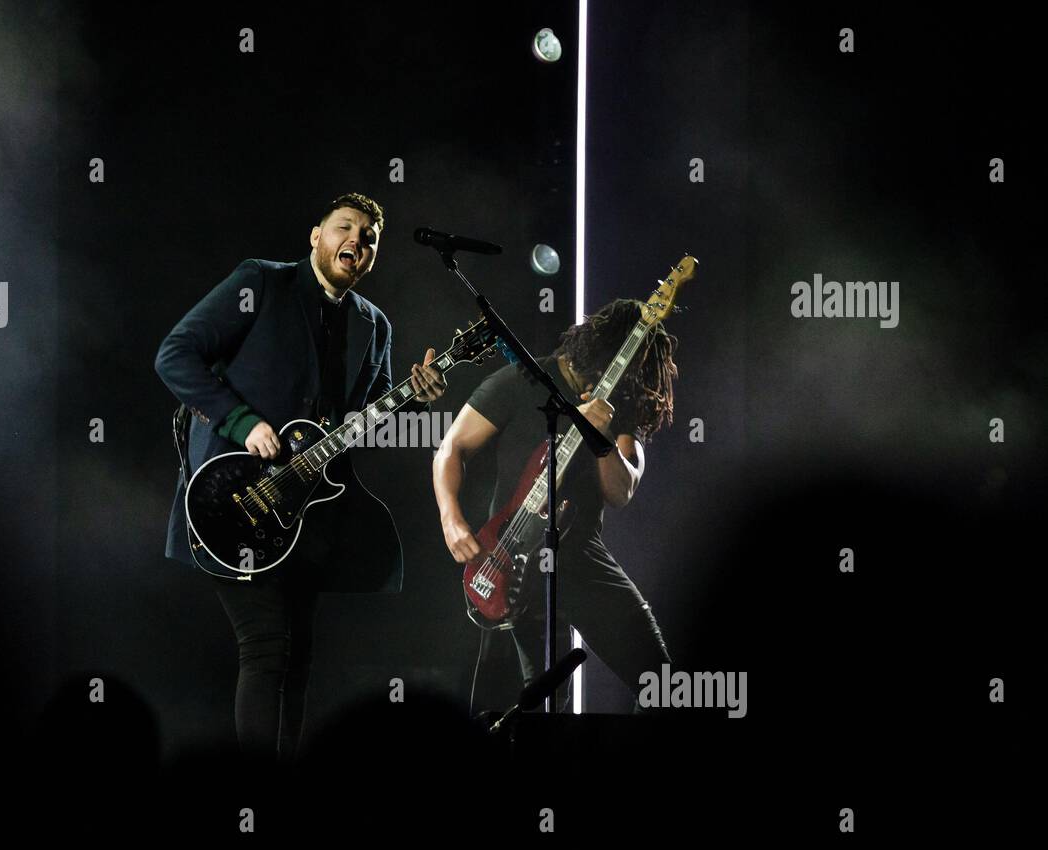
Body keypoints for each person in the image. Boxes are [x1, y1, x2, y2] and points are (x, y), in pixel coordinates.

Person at [155, 192, 446, 761]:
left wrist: (413, 399)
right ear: (316, 235)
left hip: (305, 513)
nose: (356, 242)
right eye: (346, 228)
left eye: (369, 238)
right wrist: (242, 422)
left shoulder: (374, 327)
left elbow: (361, 422)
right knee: (265, 648)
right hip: (232, 500)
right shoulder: (260, 284)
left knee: (299, 656)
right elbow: (175, 355)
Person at [432, 298, 677, 710]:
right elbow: (452, 448)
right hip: (512, 561)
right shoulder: (523, 380)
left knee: (663, 685)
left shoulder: (620, 403)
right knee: (535, 705)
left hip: (580, 559)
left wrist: (603, 443)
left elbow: (622, 490)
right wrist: (451, 518)